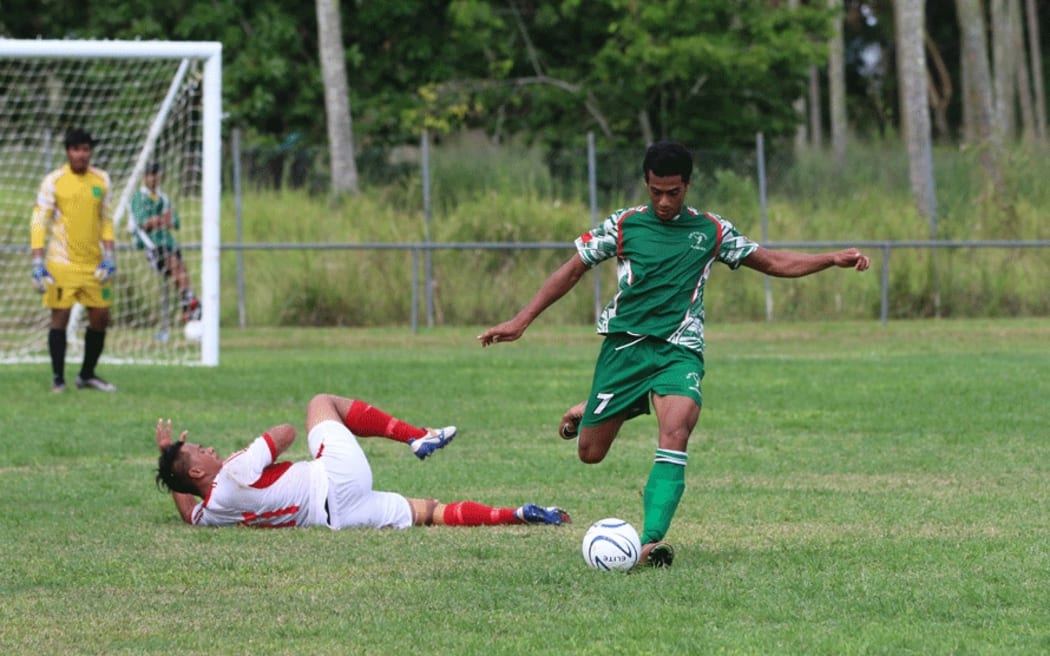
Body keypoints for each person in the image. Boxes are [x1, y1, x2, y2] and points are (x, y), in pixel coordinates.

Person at [478, 140, 870, 568]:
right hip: (625, 349)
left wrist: (830, 259)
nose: (664, 202)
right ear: (646, 184)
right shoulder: (624, 225)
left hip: (679, 349)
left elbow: (773, 262)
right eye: (656, 192)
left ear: (688, 185)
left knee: (677, 431)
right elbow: (572, 269)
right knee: (590, 452)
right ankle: (597, 408)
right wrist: (521, 320)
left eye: (674, 192)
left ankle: (647, 542)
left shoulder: (711, 231)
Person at [155, 393, 571, 530]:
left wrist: (168, 456)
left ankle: (516, 515)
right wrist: (247, 455)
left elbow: (189, 510)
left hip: (337, 518)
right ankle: (416, 435)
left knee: (428, 511)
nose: (209, 449)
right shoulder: (234, 470)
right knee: (322, 403)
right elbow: (286, 432)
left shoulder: (213, 512)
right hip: (335, 476)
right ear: (197, 470)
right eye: (200, 451)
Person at [30, 127, 117, 393]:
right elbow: (39, 221)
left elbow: (106, 220)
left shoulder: (101, 180)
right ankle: (58, 378)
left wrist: (109, 255)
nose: (81, 154)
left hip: (94, 264)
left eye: (86, 150)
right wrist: (37, 260)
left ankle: (87, 375)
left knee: (101, 317)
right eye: (76, 149)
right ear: (68, 152)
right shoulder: (54, 181)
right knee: (61, 317)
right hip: (62, 263)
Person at [130, 162, 201, 325]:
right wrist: (161, 220)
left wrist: (157, 221)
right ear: (144, 177)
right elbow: (144, 223)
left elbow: (175, 222)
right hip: (150, 245)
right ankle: (191, 302)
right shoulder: (138, 197)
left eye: (156, 175)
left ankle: (188, 309)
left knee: (181, 270)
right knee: (175, 265)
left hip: (167, 243)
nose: (153, 178)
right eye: (150, 175)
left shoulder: (163, 198)